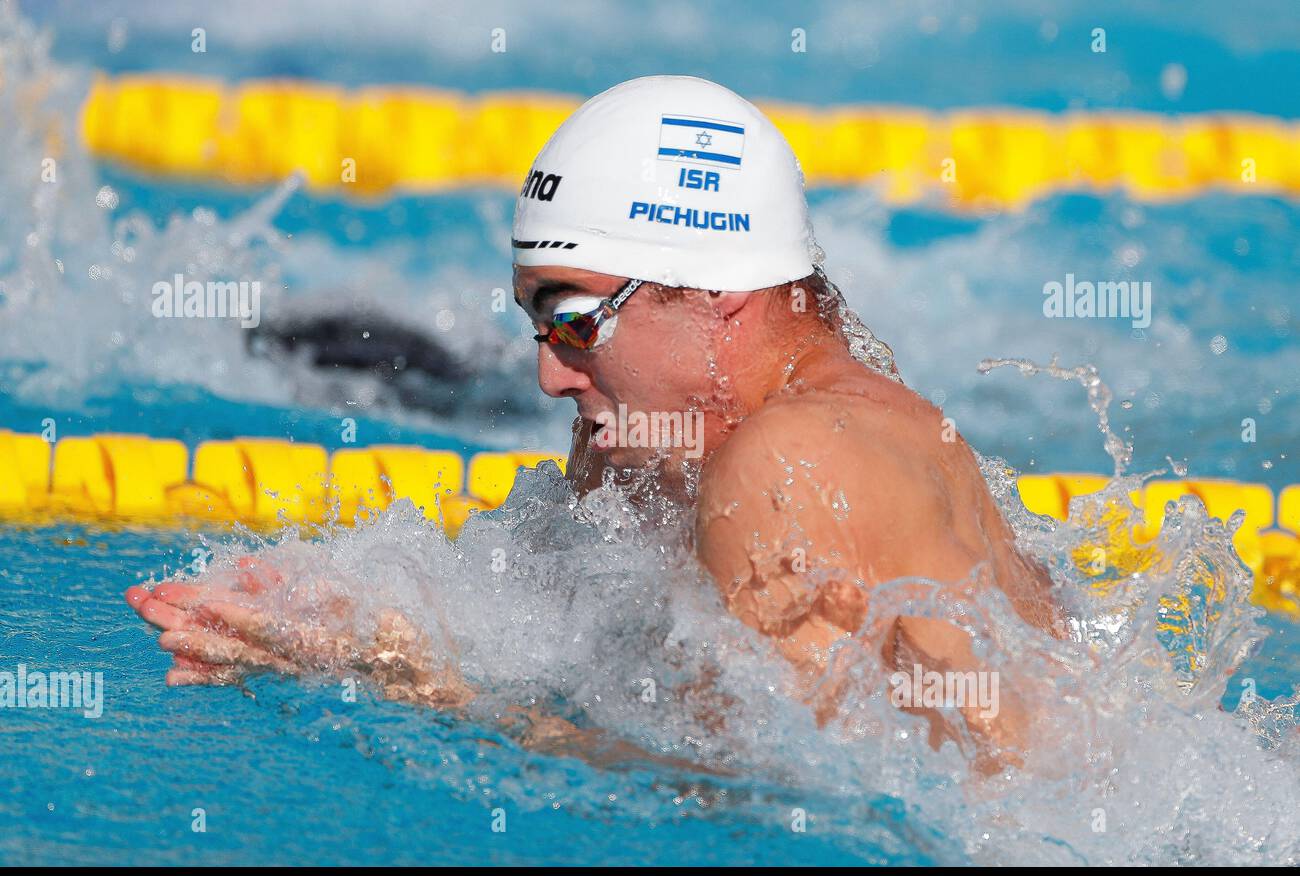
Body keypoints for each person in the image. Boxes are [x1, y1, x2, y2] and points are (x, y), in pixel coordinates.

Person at [127, 76, 1062, 771]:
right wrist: (350, 607)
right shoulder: (709, 428)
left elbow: (766, 805)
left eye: (574, 321)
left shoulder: (786, 464)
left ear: (715, 290)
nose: (545, 373)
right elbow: (555, 630)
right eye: (534, 324)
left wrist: (405, 677)